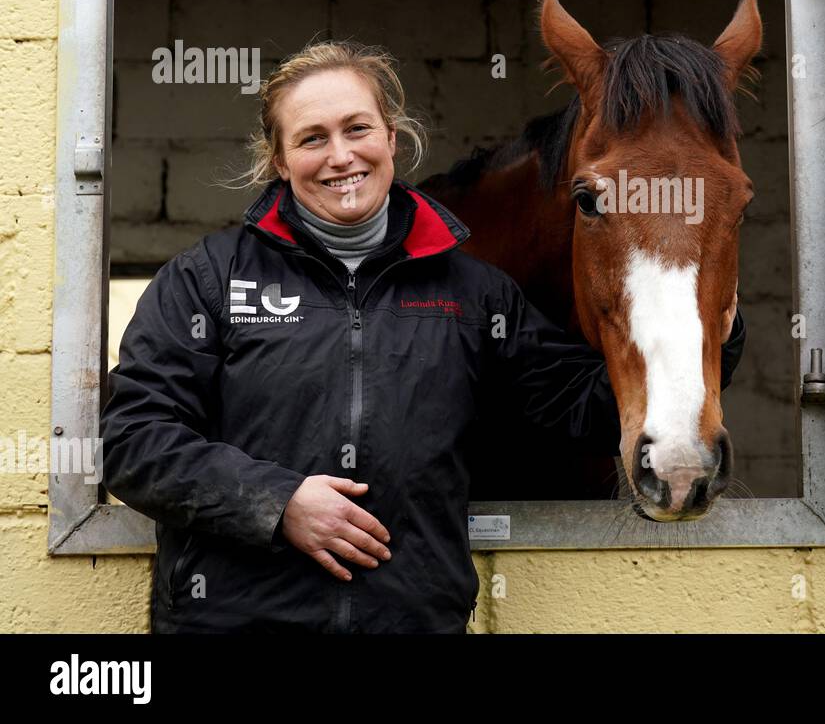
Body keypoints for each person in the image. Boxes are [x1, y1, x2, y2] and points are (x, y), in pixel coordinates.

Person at [102, 41, 747, 633]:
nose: (340, 155)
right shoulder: (207, 280)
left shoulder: (475, 294)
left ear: (392, 134)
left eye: (358, 128)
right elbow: (133, 441)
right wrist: (279, 503)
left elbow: (584, 407)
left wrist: (711, 323)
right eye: (312, 138)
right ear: (279, 158)